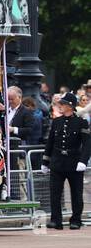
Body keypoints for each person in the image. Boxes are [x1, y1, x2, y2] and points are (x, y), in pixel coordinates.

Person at [44, 92, 88, 230]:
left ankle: (76, 219)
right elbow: (50, 143)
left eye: (62, 104)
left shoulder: (81, 122)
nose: (60, 106)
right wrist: (45, 161)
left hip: (74, 162)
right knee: (55, 193)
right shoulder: (57, 121)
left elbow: (87, 144)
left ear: (70, 106)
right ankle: (55, 220)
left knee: (76, 193)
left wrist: (83, 161)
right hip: (57, 162)